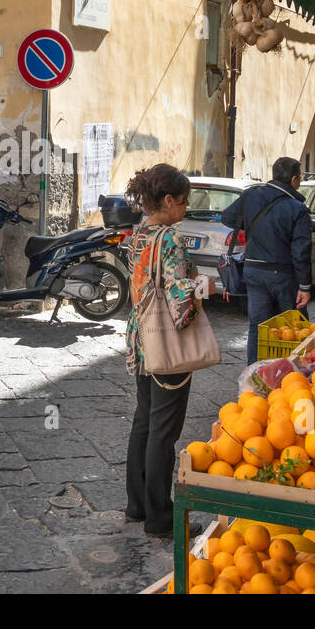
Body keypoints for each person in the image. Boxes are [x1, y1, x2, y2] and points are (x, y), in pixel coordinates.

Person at [123, 164, 214, 539]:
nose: (186, 208)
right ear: (168, 200)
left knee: (144, 421)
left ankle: (137, 505)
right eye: (184, 201)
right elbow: (179, 296)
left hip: (141, 338)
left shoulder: (138, 234)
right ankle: (160, 518)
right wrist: (199, 290)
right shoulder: (171, 239)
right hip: (165, 342)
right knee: (164, 430)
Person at [220, 156, 313, 365]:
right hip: (283, 274)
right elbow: (301, 251)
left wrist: (258, 230)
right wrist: (305, 286)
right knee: (293, 327)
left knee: (258, 326)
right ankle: (291, 373)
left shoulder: (251, 194)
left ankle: (253, 374)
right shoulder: (297, 208)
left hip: (253, 270)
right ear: (295, 180)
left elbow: (227, 218)